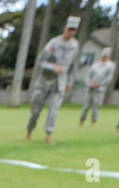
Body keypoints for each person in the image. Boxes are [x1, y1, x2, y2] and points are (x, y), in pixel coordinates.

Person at [25, 16, 79, 145]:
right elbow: (40, 62)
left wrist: (69, 82)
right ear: (65, 28)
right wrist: (53, 68)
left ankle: (48, 134)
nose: (71, 32)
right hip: (45, 81)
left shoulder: (75, 46)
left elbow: (73, 66)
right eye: (69, 29)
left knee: (54, 110)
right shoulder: (53, 43)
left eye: (74, 30)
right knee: (36, 109)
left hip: (59, 83)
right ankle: (30, 130)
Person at [78, 47, 114, 126]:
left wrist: (100, 84)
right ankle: (81, 121)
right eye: (103, 55)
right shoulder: (95, 65)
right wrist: (90, 84)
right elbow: (88, 76)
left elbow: (109, 78)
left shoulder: (110, 66)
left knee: (95, 107)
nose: (104, 56)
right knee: (86, 106)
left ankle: (93, 122)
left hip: (99, 89)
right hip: (90, 89)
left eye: (106, 55)